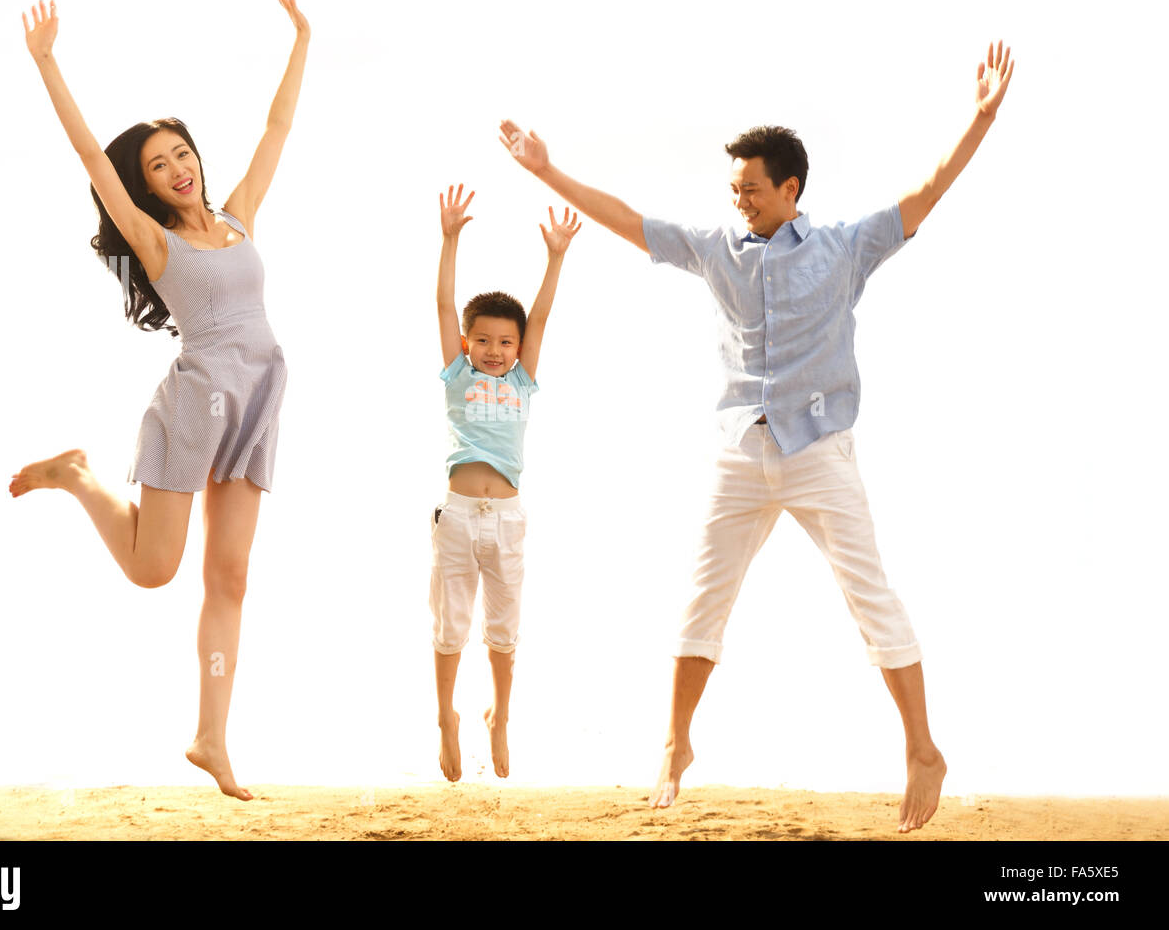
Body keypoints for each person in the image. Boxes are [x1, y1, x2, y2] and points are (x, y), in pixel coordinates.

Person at [499, 41, 1015, 832]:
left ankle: (922, 748)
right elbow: (628, 220)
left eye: (750, 188)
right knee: (704, 594)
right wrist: (546, 170)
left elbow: (929, 190)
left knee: (871, 598)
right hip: (742, 450)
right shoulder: (717, 252)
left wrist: (979, 119)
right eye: (732, 187)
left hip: (819, 452)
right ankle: (676, 741)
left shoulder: (844, 248)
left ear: (789, 189)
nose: (737, 198)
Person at [8, 0, 311, 801]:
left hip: (256, 403)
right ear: (145, 186)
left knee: (232, 578)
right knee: (154, 571)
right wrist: (48, 66)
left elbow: (278, 127)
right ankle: (79, 475)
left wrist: (301, 40)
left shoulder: (240, 219)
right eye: (158, 166)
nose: (176, 169)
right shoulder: (155, 240)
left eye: (181, 153)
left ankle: (212, 737)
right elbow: (92, 163)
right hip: (196, 404)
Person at [431, 184, 581, 781]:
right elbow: (444, 307)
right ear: (468, 344)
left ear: (518, 349)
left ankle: (500, 717)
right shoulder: (456, 375)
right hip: (459, 514)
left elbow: (540, 315)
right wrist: (449, 240)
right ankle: (447, 717)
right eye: (484, 341)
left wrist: (556, 257)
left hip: (508, 519)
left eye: (506, 342)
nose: (495, 351)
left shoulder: (521, 380)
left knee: (503, 633)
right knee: (449, 626)